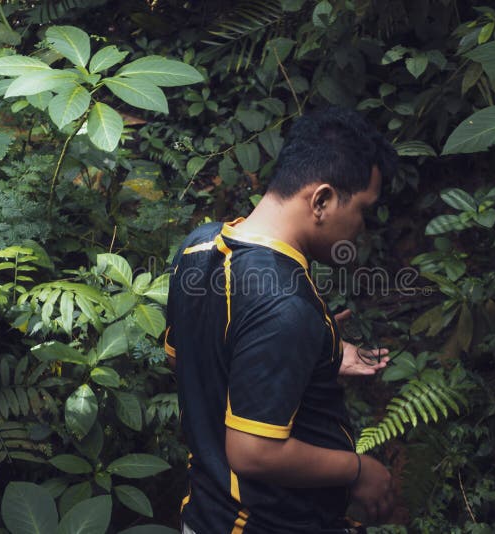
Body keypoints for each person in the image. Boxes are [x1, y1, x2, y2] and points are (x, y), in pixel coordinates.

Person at [164, 107, 399, 533]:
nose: (362, 227)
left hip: (204, 513)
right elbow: (254, 452)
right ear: (322, 200)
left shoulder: (199, 247)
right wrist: (358, 470)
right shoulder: (285, 305)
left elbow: (193, 359)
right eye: (364, 209)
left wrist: (314, 357)